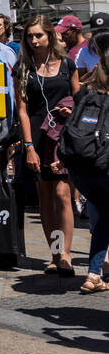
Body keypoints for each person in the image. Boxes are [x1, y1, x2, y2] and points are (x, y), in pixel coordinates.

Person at [14, 15, 79, 277]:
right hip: (38, 137)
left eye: (38, 35)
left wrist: (70, 110)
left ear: (50, 36)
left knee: (63, 194)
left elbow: (79, 99)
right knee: (45, 197)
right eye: (30, 36)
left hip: (63, 136)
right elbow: (22, 110)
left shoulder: (67, 65)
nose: (34, 40)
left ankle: (66, 254)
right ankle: (54, 253)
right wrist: (28, 145)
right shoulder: (22, 69)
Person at [64, 28, 109, 294]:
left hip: (84, 169)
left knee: (103, 218)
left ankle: (93, 275)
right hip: (104, 166)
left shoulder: (87, 95)